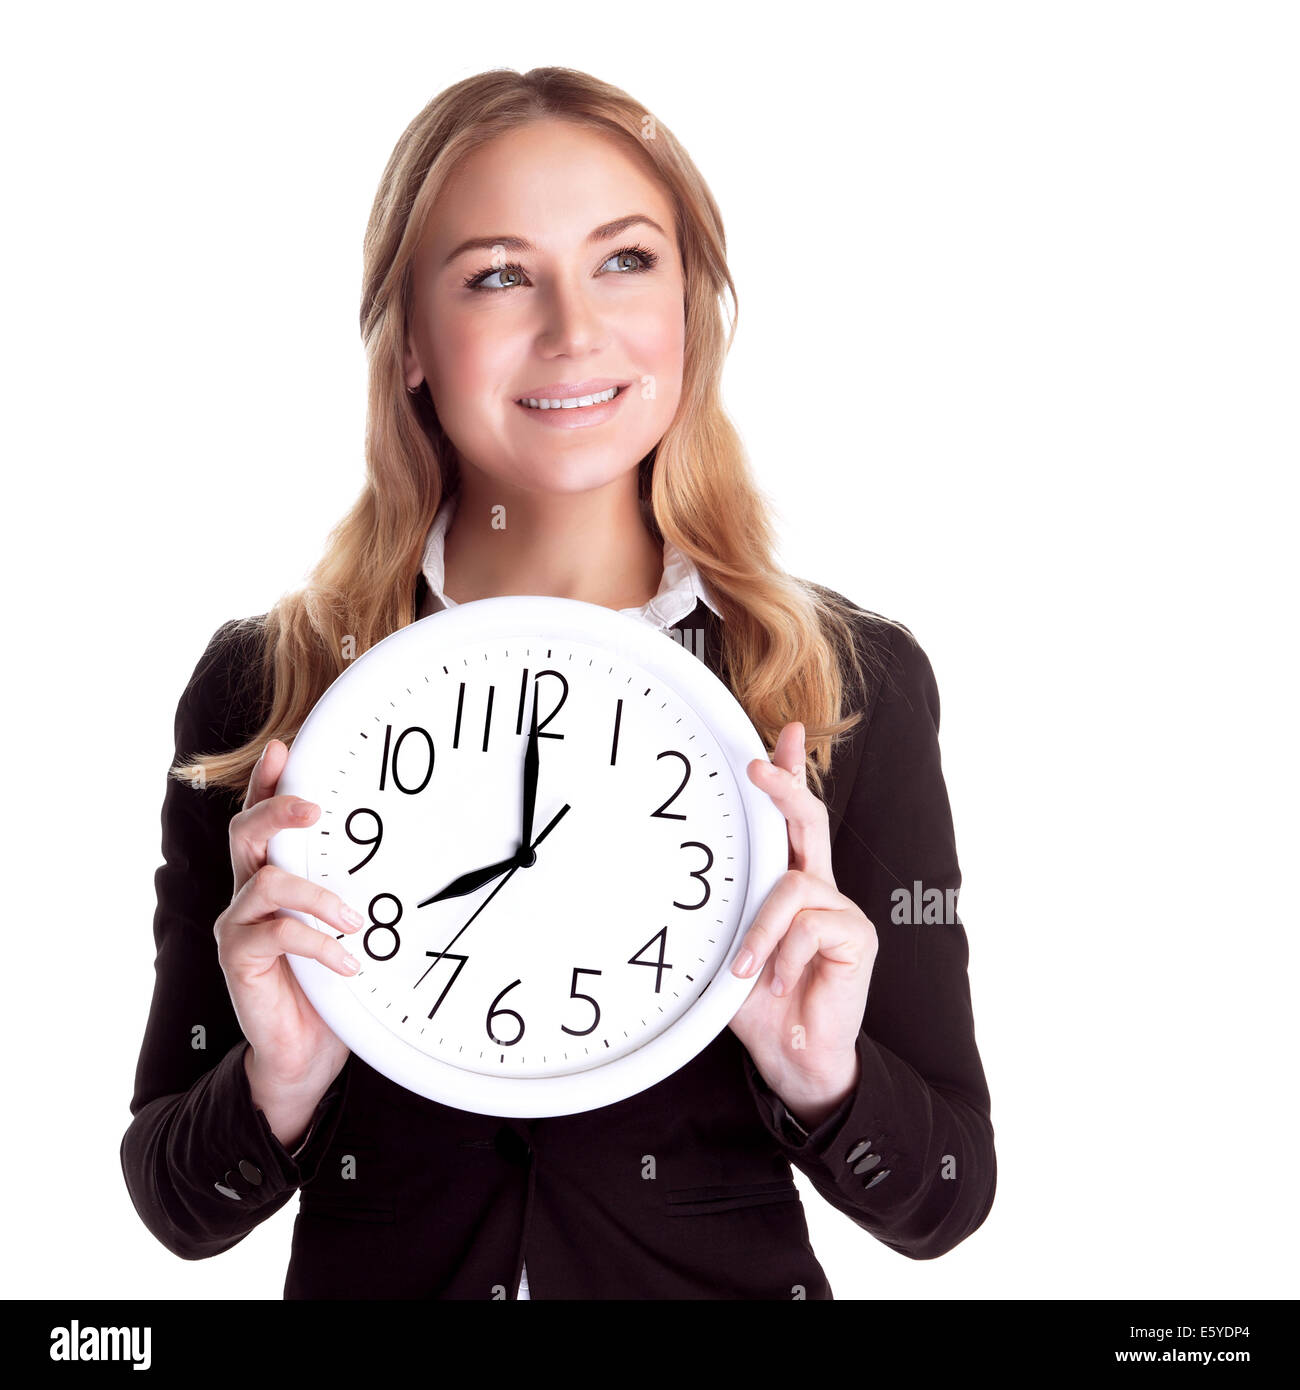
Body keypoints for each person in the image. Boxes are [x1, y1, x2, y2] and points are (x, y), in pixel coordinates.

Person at [121, 66, 996, 1300]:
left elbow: (947, 1198)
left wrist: (825, 1076)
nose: (574, 330)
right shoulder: (268, 692)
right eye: (496, 274)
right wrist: (278, 1078)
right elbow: (174, 1203)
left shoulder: (844, 684)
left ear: (690, 304)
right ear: (412, 343)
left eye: (625, 261)